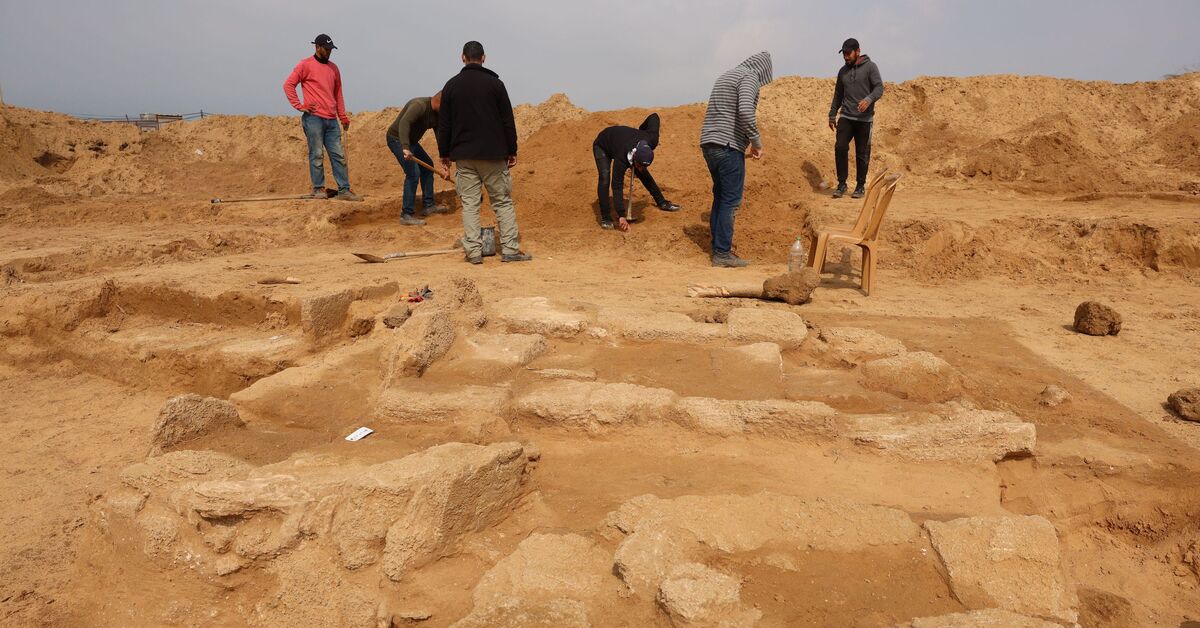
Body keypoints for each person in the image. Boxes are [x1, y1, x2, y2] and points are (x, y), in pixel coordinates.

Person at [437, 41, 531, 264]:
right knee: (502, 202)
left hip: (464, 156)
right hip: (493, 155)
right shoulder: (496, 85)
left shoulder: (451, 86)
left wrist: (444, 154)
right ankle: (509, 249)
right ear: (483, 58)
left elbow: (444, 125)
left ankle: (474, 253)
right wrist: (512, 150)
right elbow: (508, 121)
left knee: (470, 204)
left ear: (462, 58)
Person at [699, 51, 773, 268]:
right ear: (762, 71)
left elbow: (723, 112)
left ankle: (717, 249)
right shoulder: (749, 77)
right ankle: (722, 253)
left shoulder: (725, 76)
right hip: (728, 147)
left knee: (720, 197)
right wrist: (757, 143)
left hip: (709, 144)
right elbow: (745, 112)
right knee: (731, 201)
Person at [283, 34, 362, 201]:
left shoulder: (334, 69)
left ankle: (344, 190)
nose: (329, 52)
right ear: (317, 47)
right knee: (317, 155)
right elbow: (288, 85)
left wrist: (342, 116)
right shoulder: (305, 65)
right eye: (326, 49)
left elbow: (338, 93)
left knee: (338, 155)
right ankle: (318, 189)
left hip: (332, 119)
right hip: (314, 119)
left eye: (330, 49)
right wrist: (300, 106)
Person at [592, 113, 681, 231]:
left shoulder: (652, 139)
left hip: (625, 142)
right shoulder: (622, 157)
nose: (639, 168)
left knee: (643, 173)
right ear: (634, 156)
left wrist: (641, 130)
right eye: (638, 164)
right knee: (605, 178)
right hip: (603, 145)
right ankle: (606, 217)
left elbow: (654, 116)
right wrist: (621, 215)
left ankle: (662, 202)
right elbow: (617, 185)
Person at [828, 38, 883, 199]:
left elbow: (879, 88)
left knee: (862, 153)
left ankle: (860, 186)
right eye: (843, 53)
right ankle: (842, 184)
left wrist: (868, 99)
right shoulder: (842, 71)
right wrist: (832, 114)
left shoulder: (871, 67)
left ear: (857, 51)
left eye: (848, 53)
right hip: (846, 115)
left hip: (864, 119)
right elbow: (838, 94)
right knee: (840, 147)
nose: (845, 56)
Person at [386, 93, 452, 226]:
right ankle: (406, 214)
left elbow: (439, 133)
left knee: (428, 166)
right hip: (397, 139)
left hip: (411, 142)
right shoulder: (419, 105)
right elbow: (404, 123)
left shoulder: (437, 114)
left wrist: (444, 157)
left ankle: (428, 206)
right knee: (413, 173)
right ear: (438, 102)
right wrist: (405, 147)